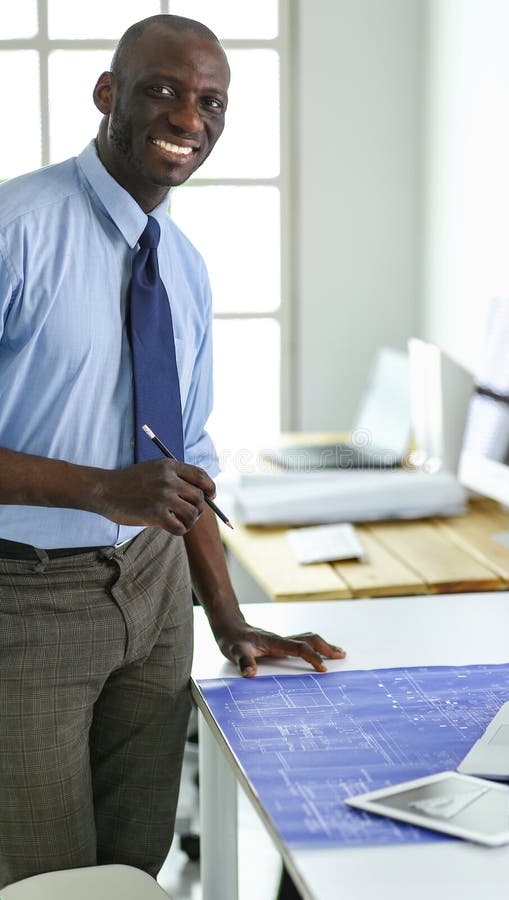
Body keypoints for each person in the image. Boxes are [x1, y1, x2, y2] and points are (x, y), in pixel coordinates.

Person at [0, 14, 345, 889]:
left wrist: (227, 618)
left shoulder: (184, 268)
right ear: (106, 94)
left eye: (211, 102)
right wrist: (103, 490)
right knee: (48, 880)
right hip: (25, 601)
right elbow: (130, 483)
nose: (189, 118)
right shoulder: (16, 229)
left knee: (135, 866)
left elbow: (186, 464)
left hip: (157, 600)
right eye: (163, 90)